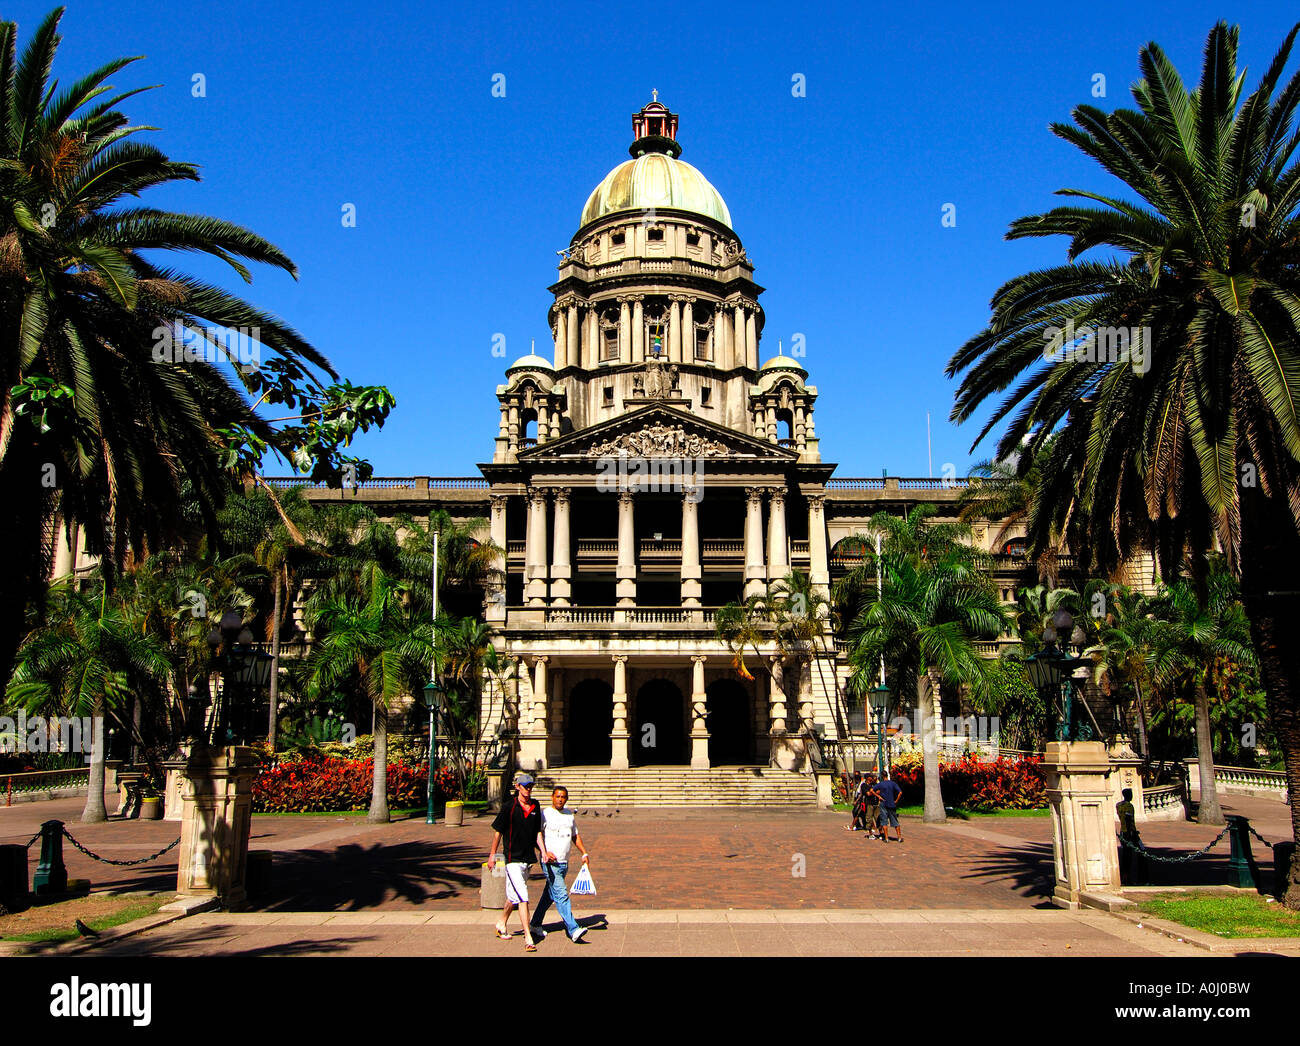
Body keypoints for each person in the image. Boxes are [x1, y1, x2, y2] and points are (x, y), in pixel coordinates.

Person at [487, 774, 546, 951]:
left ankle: (502, 923)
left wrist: (543, 851)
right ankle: (528, 937)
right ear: (517, 787)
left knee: (513, 897)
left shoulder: (535, 805)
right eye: (525, 786)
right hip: (512, 859)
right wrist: (492, 855)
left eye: (530, 786)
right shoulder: (509, 807)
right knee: (523, 896)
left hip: (528, 858)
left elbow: (537, 833)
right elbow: (498, 831)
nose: (528, 789)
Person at [529, 785, 592, 943]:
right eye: (557, 796)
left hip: (564, 862)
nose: (560, 799)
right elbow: (536, 836)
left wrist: (584, 852)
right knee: (561, 893)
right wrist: (544, 852)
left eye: (563, 797)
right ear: (552, 797)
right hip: (549, 862)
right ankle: (573, 928)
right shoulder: (545, 814)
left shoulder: (569, 815)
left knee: (550, 894)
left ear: (566, 799)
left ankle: (535, 923)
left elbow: (575, 836)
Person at [1116, 788, 1147, 885]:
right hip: (1130, 833)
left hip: (1123, 832)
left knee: (1126, 855)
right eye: (1130, 794)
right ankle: (1139, 878)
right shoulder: (1129, 806)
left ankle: (1126, 877)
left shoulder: (1119, 805)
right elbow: (1128, 820)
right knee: (1141, 852)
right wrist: (1133, 833)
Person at [874, 769, 903, 842]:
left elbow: (872, 790)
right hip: (891, 803)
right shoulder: (893, 783)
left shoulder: (880, 784)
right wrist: (896, 800)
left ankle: (886, 838)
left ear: (882, 776)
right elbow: (900, 792)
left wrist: (878, 796)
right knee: (895, 821)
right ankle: (899, 837)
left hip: (883, 803)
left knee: (884, 821)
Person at [861, 772, 882, 839]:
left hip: (876, 804)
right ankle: (870, 833)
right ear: (867, 778)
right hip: (869, 804)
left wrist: (874, 792)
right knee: (869, 819)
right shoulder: (864, 785)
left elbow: (879, 791)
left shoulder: (874, 785)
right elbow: (868, 794)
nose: (872, 778)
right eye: (871, 777)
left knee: (878, 818)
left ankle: (881, 833)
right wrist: (875, 793)